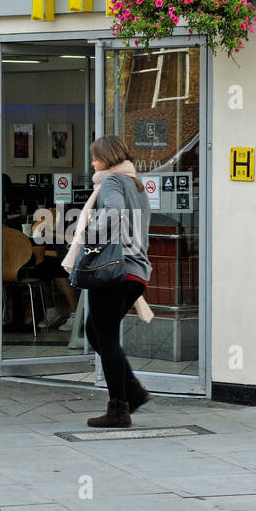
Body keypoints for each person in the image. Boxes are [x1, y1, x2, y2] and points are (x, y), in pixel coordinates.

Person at [63, 136, 154, 428]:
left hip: (114, 271)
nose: (92, 163)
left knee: (106, 336)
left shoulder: (113, 182)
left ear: (108, 158)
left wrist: (91, 236)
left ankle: (119, 408)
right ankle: (132, 391)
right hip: (135, 273)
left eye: (95, 157)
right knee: (95, 331)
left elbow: (113, 214)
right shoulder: (136, 185)